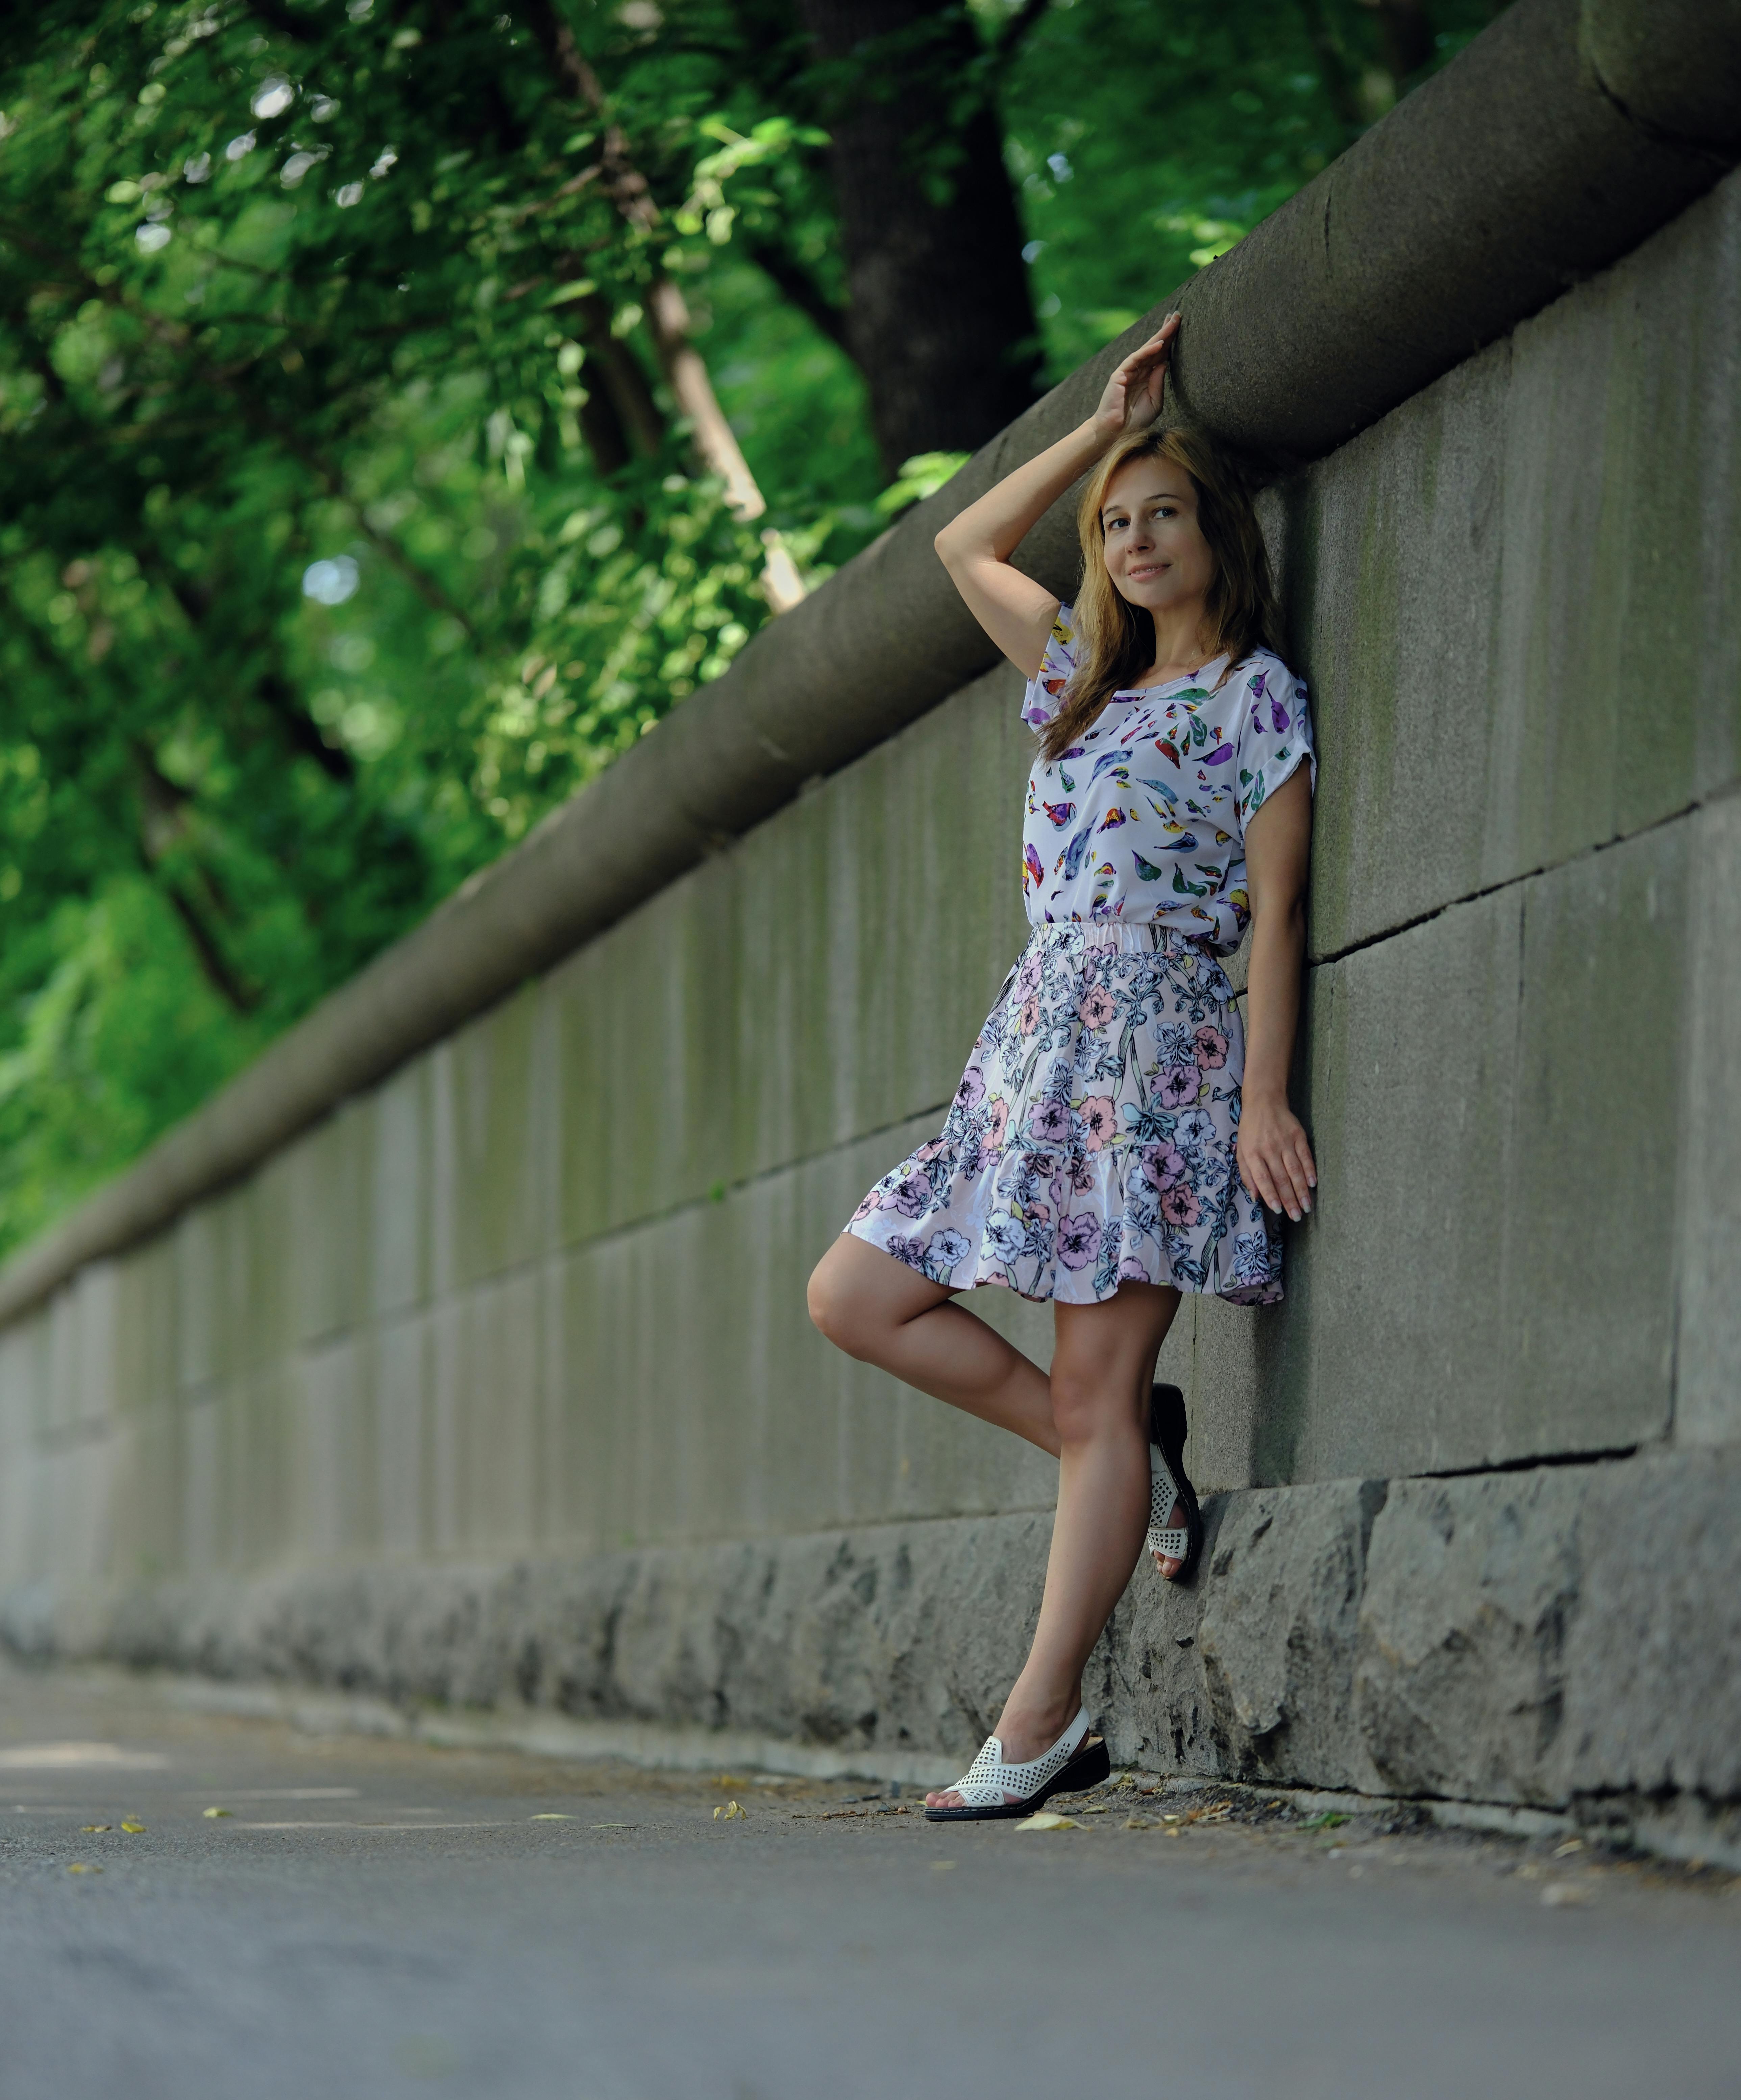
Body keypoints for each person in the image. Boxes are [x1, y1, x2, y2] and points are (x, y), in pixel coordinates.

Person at [806, 314, 1317, 1820]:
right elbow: (960, 548)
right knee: (856, 1294)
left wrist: (1261, 1097)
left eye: (1164, 513)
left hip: (1160, 1049)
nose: (1138, 537)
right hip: (1032, 1044)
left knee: (1100, 1387)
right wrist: (1100, 429)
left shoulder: (1253, 697)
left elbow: (1276, 909)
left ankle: (1038, 1724)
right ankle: (1136, 1473)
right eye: (1115, 523)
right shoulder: (1081, 673)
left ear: (1215, 533)